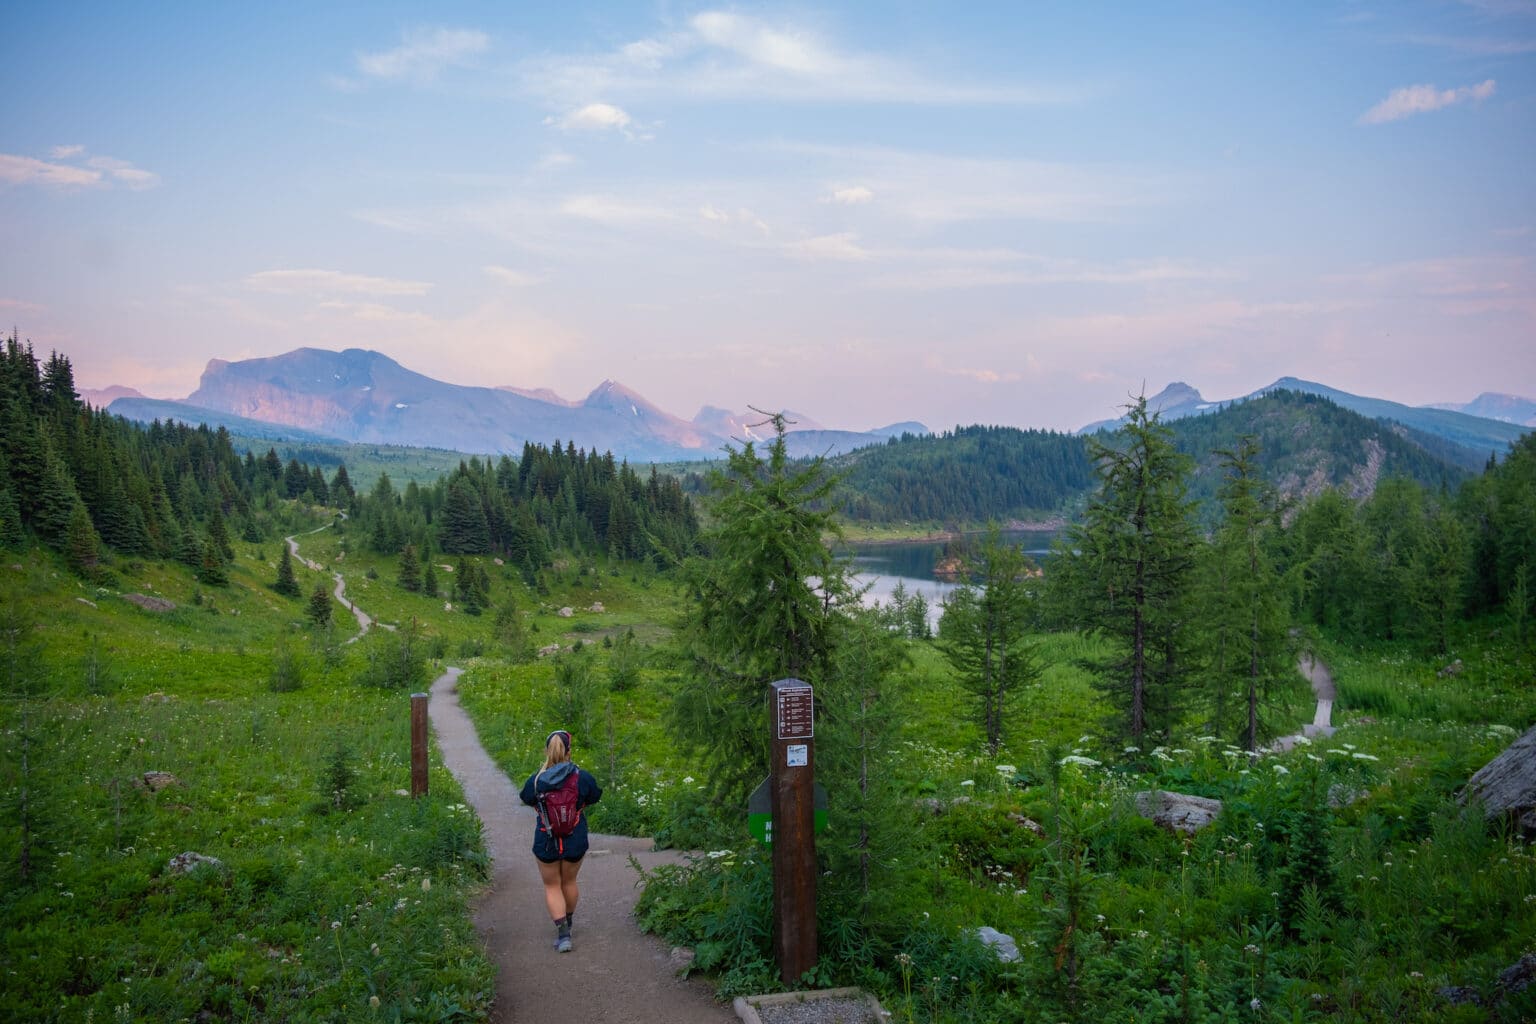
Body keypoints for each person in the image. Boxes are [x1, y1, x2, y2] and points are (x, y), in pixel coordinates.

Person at [519, 729, 602, 952]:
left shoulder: (536, 781)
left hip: (546, 841)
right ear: (569, 752)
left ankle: (563, 934)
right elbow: (595, 795)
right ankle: (569, 921)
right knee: (569, 882)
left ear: (547, 751)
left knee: (552, 885)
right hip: (574, 839)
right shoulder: (582, 777)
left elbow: (526, 798)